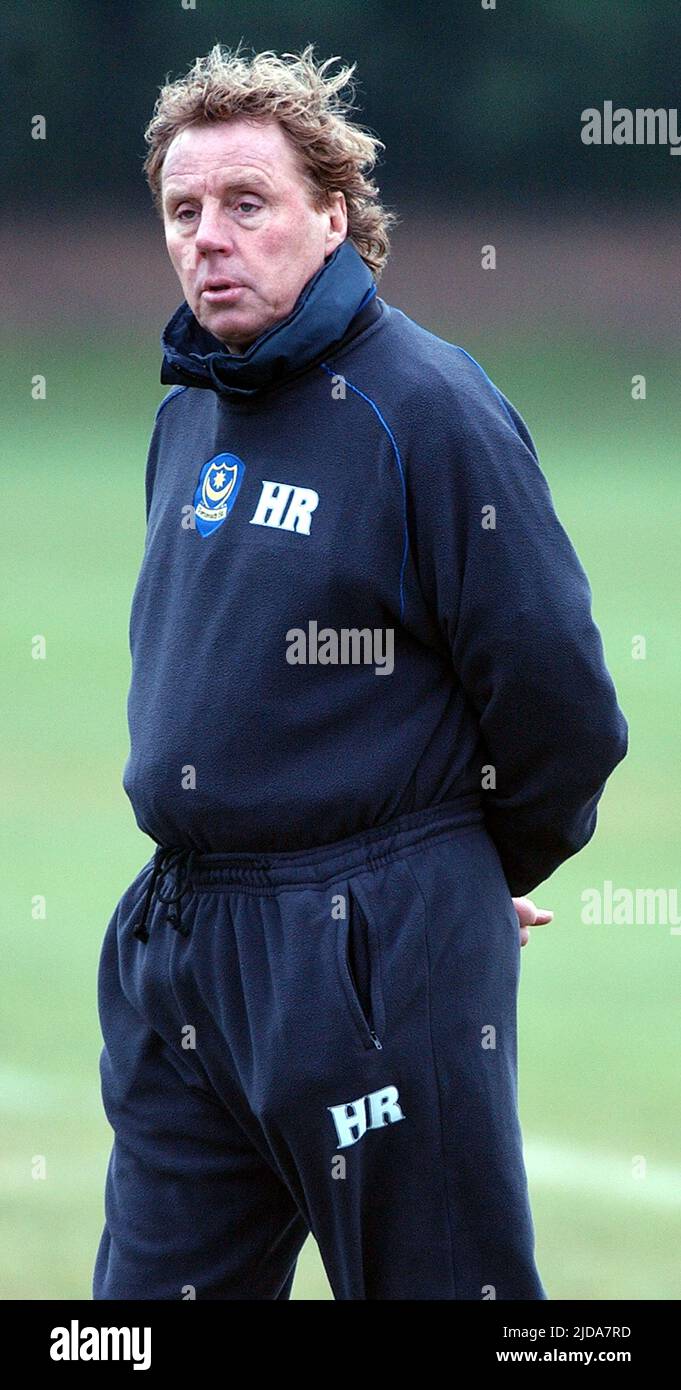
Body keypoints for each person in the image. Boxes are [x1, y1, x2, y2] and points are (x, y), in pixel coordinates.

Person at [92, 43, 628, 1301]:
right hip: (184, 955)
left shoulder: (426, 407)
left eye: (246, 203)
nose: (208, 238)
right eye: (183, 210)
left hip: (369, 960)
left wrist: (454, 879)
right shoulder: (188, 413)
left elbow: (560, 700)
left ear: (333, 217)